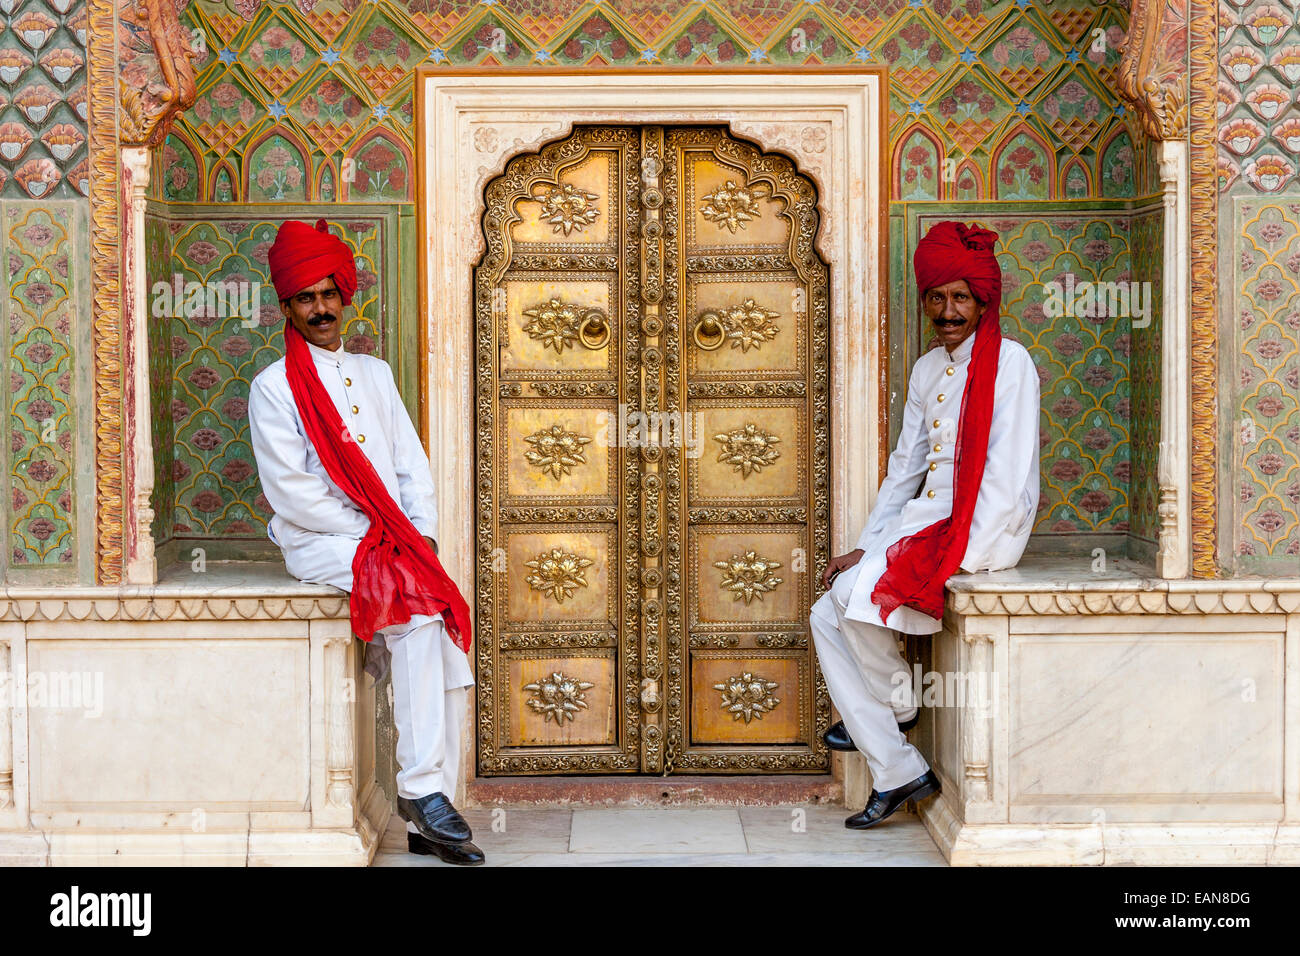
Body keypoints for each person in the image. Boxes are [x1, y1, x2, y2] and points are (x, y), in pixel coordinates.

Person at [248, 219, 483, 866]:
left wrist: (420, 534)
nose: (320, 308)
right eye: (305, 298)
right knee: (415, 614)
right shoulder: (273, 388)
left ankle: (427, 809)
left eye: (328, 294)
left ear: (344, 295)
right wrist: (379, 540)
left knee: (441, 630)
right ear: (287, 306)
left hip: (390, 539)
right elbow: (293, 494)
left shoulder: (373, 374)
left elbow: (410, 466)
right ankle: (422, 792)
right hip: (320, 541)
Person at [809, 220, 1040, 830]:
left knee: (845, 607)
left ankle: (893, 719)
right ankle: (898, 750)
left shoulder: (1010, 364)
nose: (947, 311)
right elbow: (904, 468)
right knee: (827, 608)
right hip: (924, 519)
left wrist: (967, 551)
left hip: (978, 527)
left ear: (982, 301)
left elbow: (1008, 471)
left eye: (960, 297)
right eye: (937, 298)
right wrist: (868, 546)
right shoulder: (925, 371)